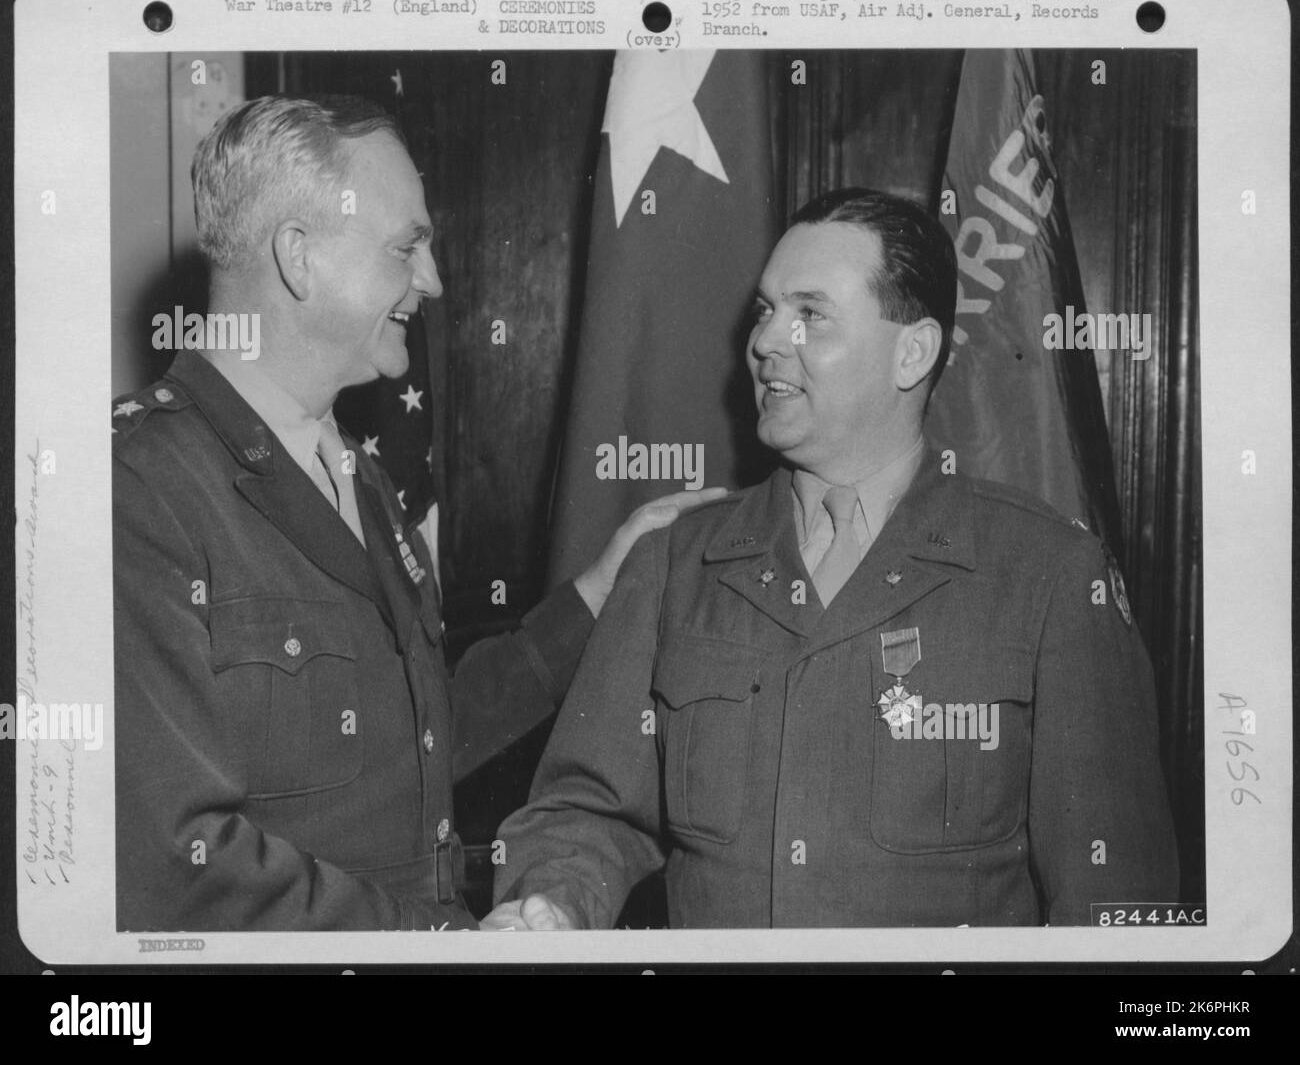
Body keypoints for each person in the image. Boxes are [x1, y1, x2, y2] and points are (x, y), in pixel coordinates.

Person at [487, 187, 1180, 929]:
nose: (765, 341)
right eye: (765, 310)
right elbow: (588, 809)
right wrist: (550, 901)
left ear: (911, 352)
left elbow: (1115, 901)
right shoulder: (674, 563)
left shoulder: (1049, 576)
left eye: (809, 314)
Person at [112, 95, 722, 932]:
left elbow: (409, 742)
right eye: (407, 248)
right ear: (300, 257)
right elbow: (176, 860)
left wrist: (595, 590)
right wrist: (437, 944)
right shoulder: (136, 487)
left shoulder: (354, 469)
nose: (432, 281)